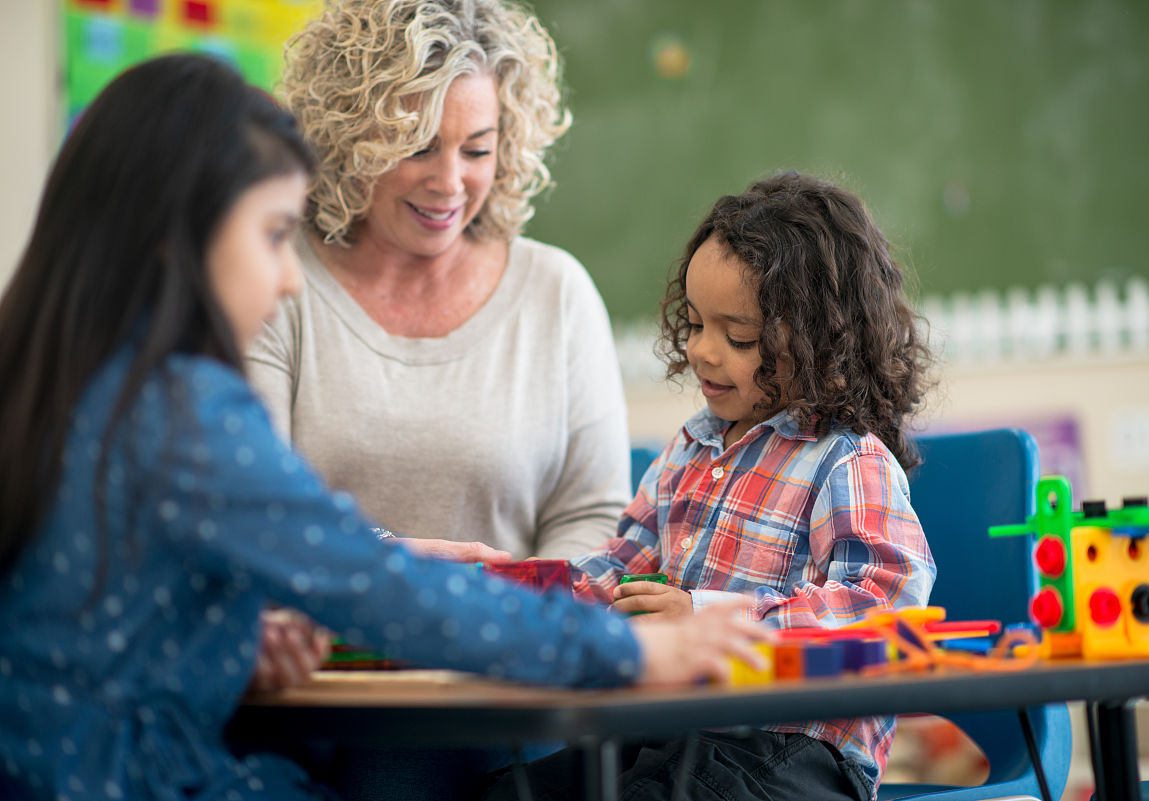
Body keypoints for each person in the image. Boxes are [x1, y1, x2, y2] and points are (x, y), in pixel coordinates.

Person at [0, 53, 769, 801]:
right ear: (177, 233)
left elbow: (98, 624)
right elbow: (381, 590)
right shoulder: (183, 410)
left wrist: (228, 646)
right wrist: (630, 648)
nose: (289, 274)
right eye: (271, 234)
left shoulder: (59, 377)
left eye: (476, 146)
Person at [484, 172, 939, 801]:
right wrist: (521, 598)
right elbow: (619, 571)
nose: (702, 351)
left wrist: (706, 618)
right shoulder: (691, 449)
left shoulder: (845, 459)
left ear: (823, 340)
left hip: (799, 751)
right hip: (676, 736)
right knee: (508, 793)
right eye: (695, 324)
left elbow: (885, 608)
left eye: (740, 337)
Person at [246, 0, 629, 562]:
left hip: (511, 641)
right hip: (314, 644)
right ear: (349, 138)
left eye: (477, 149)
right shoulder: (278, 283)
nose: (450, 183)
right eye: (418, 145)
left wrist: (512, 617)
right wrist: (410, 576)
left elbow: (591, 515)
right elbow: (255, 507)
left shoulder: (557, 292)